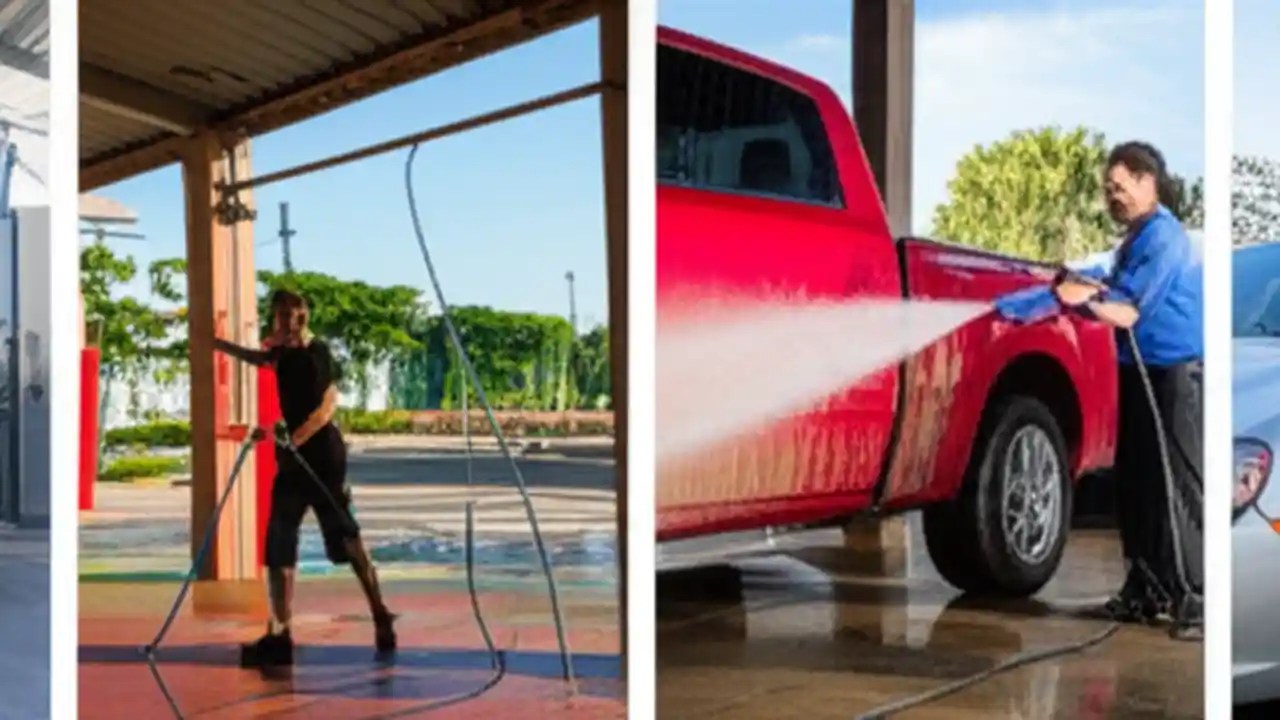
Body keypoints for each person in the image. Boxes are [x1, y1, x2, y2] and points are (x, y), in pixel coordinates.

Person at [1054, 141, 1203, 637]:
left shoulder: (1165, 238)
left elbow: (1128, 310)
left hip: (1172, 375)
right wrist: (1078, 281)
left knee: (1175, 486)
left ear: (1147, 181)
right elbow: (1108, 281)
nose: (1111, 197)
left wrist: (1081, 302)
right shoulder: (1133, 241)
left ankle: (1196, 600)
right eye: (1106, 190)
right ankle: (1146, 590)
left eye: (1119, 187)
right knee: (1136, 484)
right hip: (1137, 374)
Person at [214, 289, 396, 666]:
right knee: (279, 542)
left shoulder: (318, 353)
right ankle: (279, 633)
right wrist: (215, 343)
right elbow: (257, 358)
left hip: (323, 458)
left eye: (287, 315)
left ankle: (379, 612)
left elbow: (327, 405)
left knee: (346, 540)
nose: (281, 321)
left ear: (301, 317)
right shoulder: (281, 354)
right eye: (277, 314)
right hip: (291, 462)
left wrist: (294, 437)